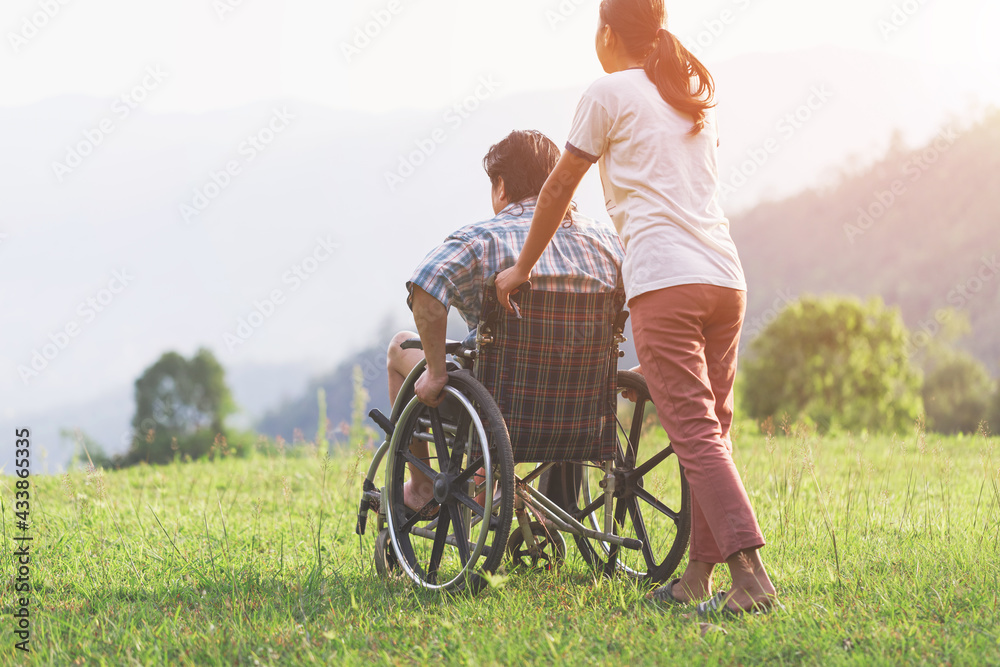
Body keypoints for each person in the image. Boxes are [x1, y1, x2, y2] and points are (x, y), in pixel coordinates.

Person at [495, 0, 778, 616]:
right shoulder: (686, 95)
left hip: (665, 283)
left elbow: (560, 184)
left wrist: (522, 268)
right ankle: (697, 578)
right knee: (711, 436)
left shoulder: (608, 91)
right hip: (725, 281)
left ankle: (751, 578)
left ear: (605, 33)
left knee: (697, 435)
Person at [386, 129, 625, 517]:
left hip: (503, 405)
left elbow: (427, 286)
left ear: (500, 186)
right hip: (582, 405)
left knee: (400, 345)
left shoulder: (481, 239)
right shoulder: (607, 242)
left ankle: (422, 486)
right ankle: (499, 490)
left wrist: (434, 371)